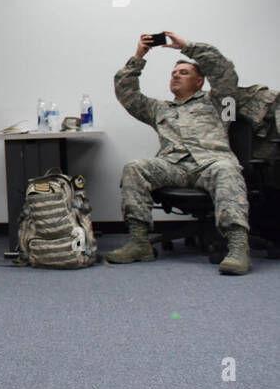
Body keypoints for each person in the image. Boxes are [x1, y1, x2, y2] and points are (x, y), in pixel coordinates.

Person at [106, 31, 250, 275]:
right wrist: (139, 56)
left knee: (227, 169)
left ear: (199, 81)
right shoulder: (158, 109)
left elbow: (223, 70)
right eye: (173, 74)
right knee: (135, 167)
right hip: (173, 166)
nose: (176, 76)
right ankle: (139, 242)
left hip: (210, 163)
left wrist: (188, 47)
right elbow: (126, 92)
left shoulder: (219, 101)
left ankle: (237, 248)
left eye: (184, 73)